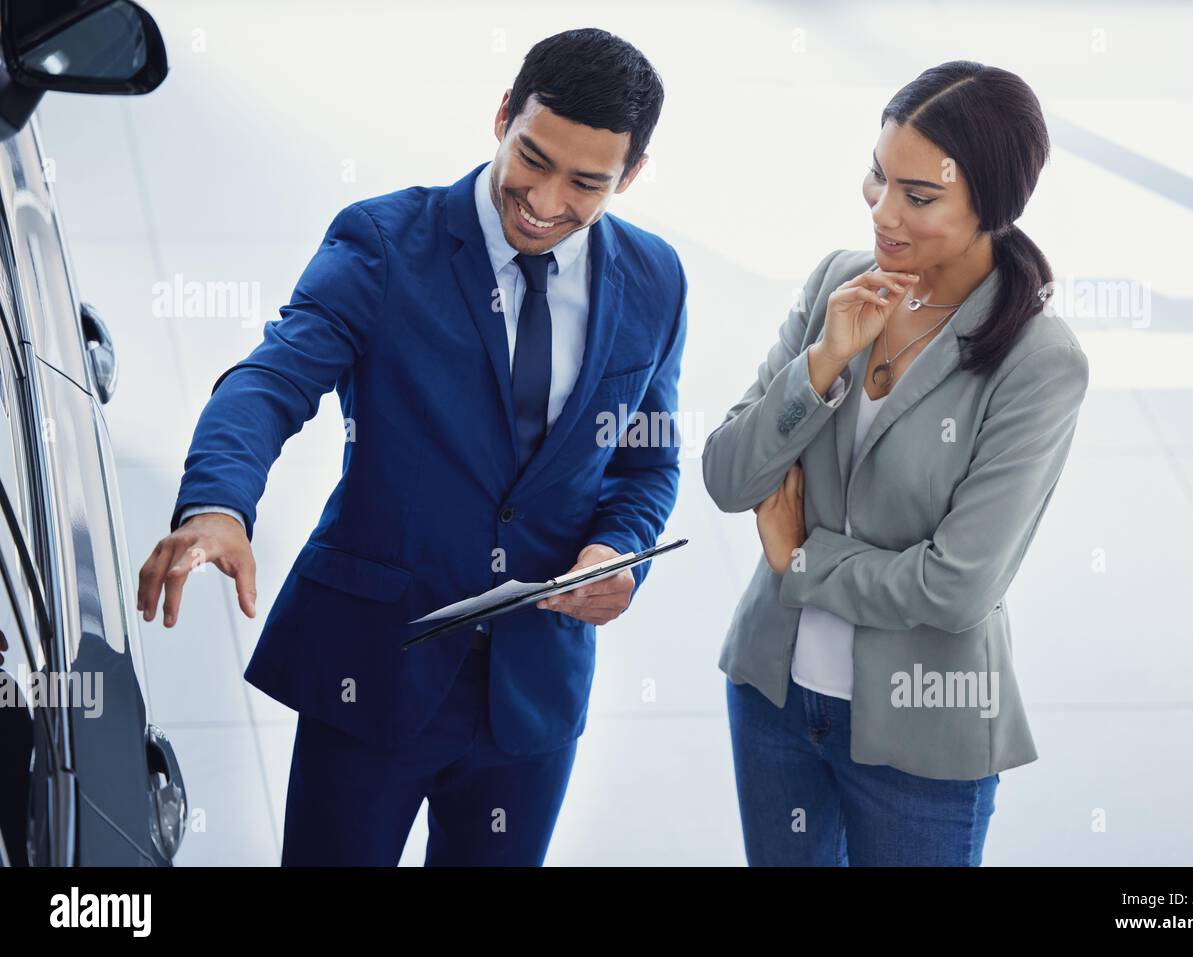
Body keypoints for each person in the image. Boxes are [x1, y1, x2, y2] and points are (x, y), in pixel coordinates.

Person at [136, 28, 686, 866]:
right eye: (530, 158)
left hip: (532, 696)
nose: (543, 200)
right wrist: (219, 503)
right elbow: (272, 379)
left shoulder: (656, 279)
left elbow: (647, 462)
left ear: (632, 175)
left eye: (585, 183)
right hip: (376, 671)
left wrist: (620, 551)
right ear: (502, 115)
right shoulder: (386, 242)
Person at [702, 60, 1089, 866]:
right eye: (878, 179)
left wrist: (799, 559)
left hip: (922, 731)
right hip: (773, 696)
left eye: (918, 197)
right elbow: (730, 477)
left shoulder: (1039, 361)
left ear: (995, 204)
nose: (884, 213)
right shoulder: (840, 283)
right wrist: (820, 364)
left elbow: (955, 588)